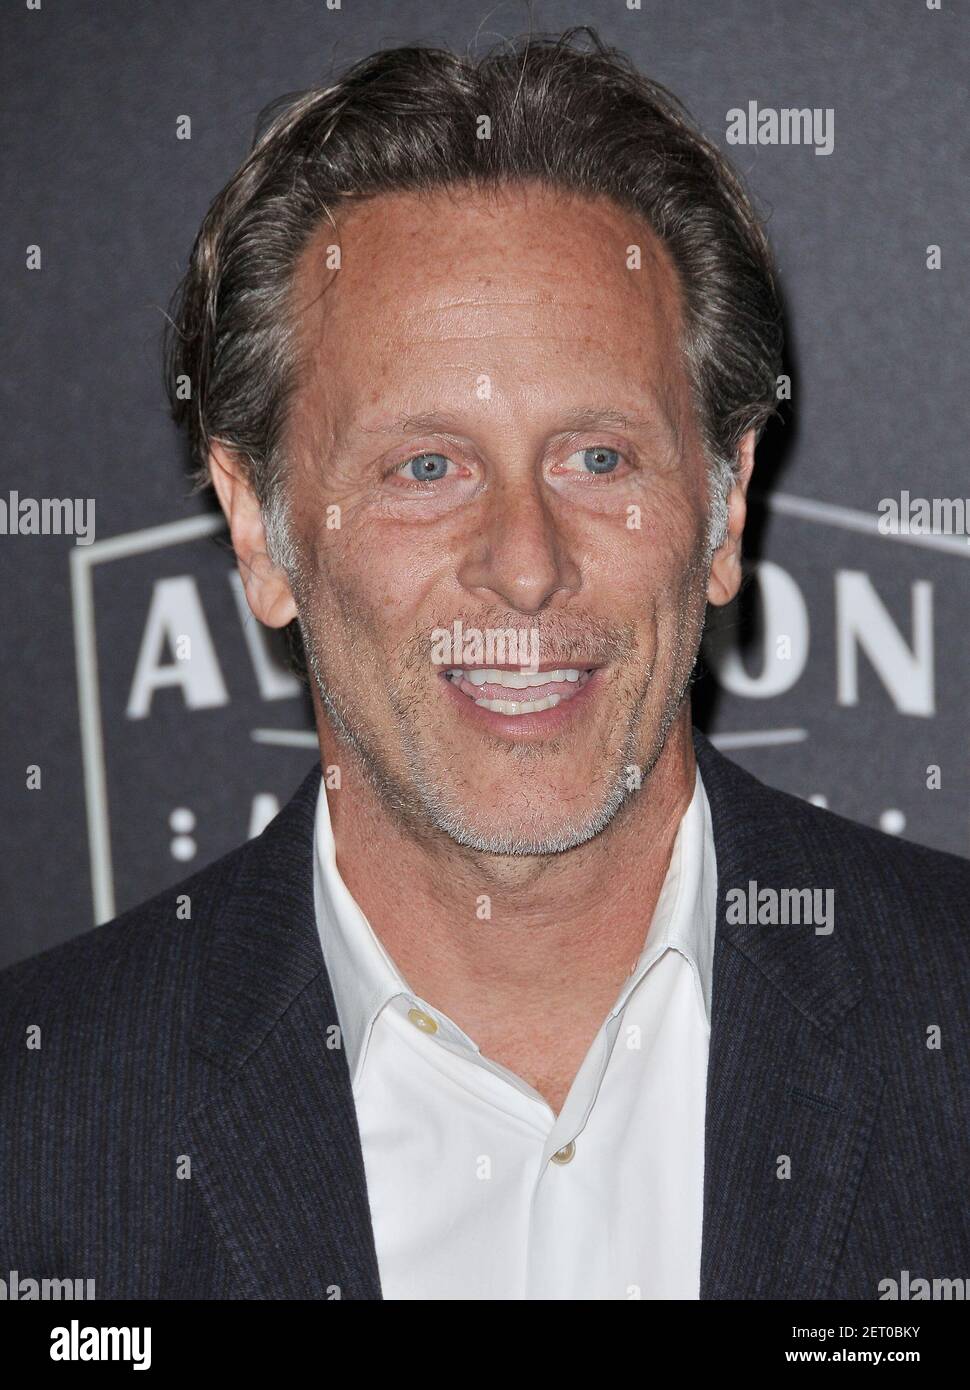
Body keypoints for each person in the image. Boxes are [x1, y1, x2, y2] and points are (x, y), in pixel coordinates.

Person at [2, 29, 968, 1301]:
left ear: (724, 505)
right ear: (261, 528)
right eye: (425, 467)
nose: (524, 565)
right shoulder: (40, 1136)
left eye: (598, 458)